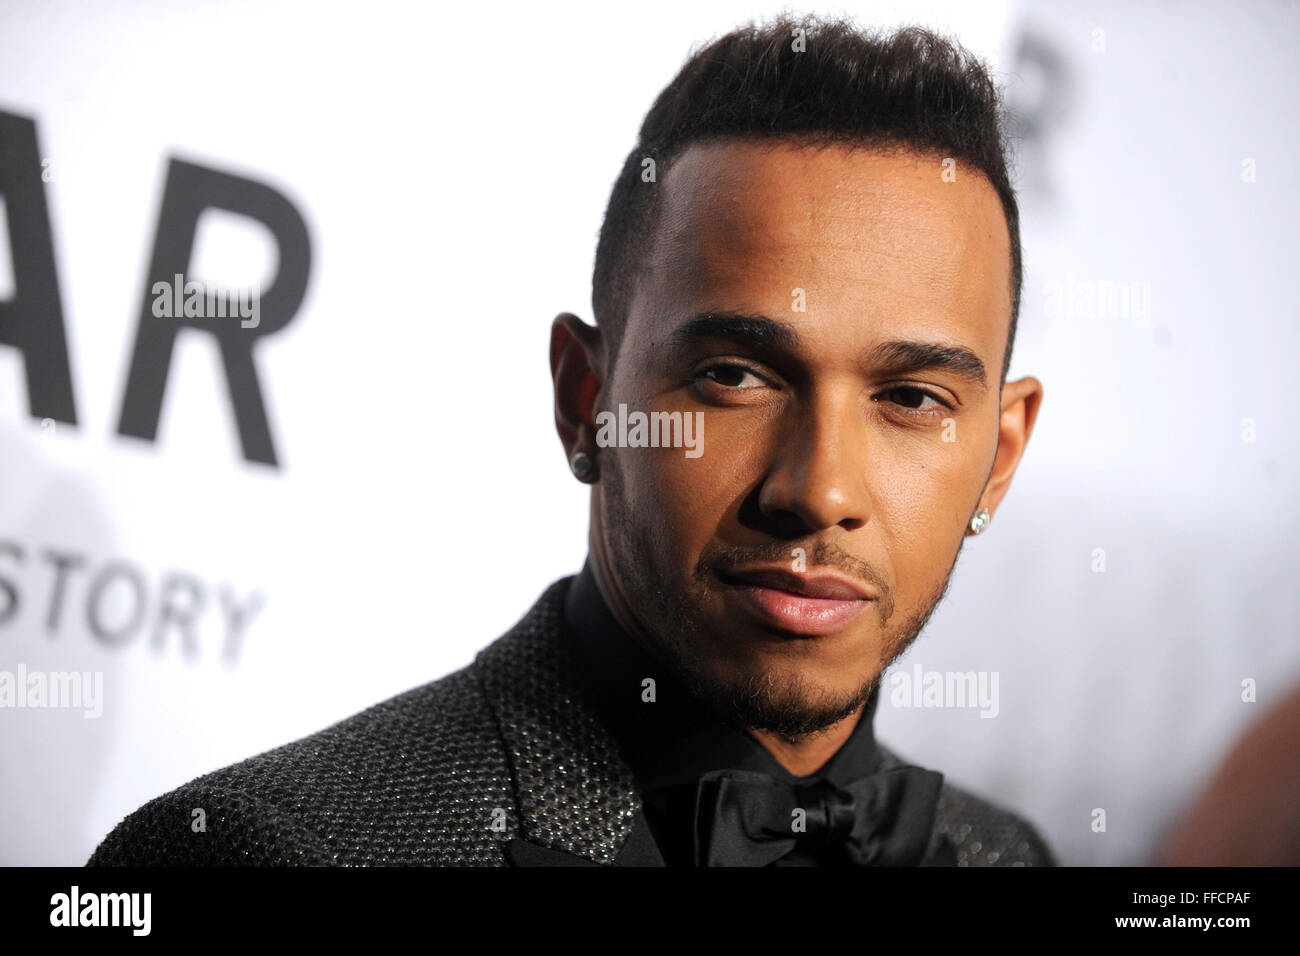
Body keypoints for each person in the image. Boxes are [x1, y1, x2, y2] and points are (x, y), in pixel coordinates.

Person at [88, 14, 1051, 867]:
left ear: (998, 461)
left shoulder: (1011, 858)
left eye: (913, 397)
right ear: (585, 398)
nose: (820, 489)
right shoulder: (262, 852)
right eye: (736, 377)